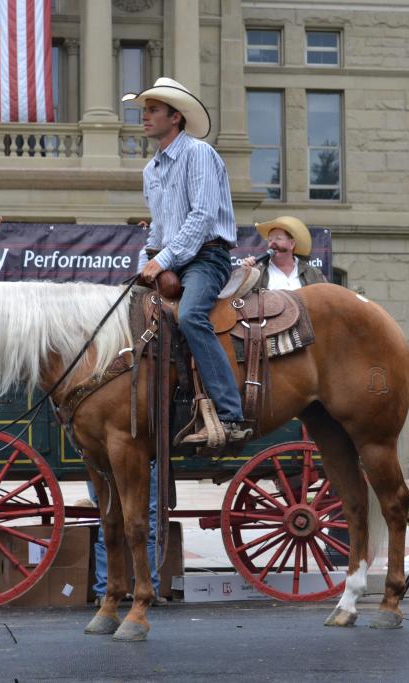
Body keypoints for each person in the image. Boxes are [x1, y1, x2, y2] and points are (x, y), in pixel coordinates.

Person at [123, 77, 251, 447]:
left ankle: (231, 415)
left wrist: (162, 259)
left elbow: (202, 217)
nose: (144, 116)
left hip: (207, 257)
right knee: (136, 317)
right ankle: (177, 404)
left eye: (153, 110)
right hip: (173, 261)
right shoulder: (152, 169)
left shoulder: (198, 154)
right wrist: (145, 264)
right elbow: (158, 230)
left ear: (175, 117)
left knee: (191, 315)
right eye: (144, 110)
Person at [85, 463, 162, 606]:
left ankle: (105, 591)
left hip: (102, 462)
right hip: (144, 461)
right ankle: (149, 587)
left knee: (108, 519)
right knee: (148, 520)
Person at [241, 217, 327, 290]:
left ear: (292, 244)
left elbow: (325, 301)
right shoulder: (258, 272)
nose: (272, 243)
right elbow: (239, 302)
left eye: (278, 238)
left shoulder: (313, 273)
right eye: (270, 240)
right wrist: (246, 275)